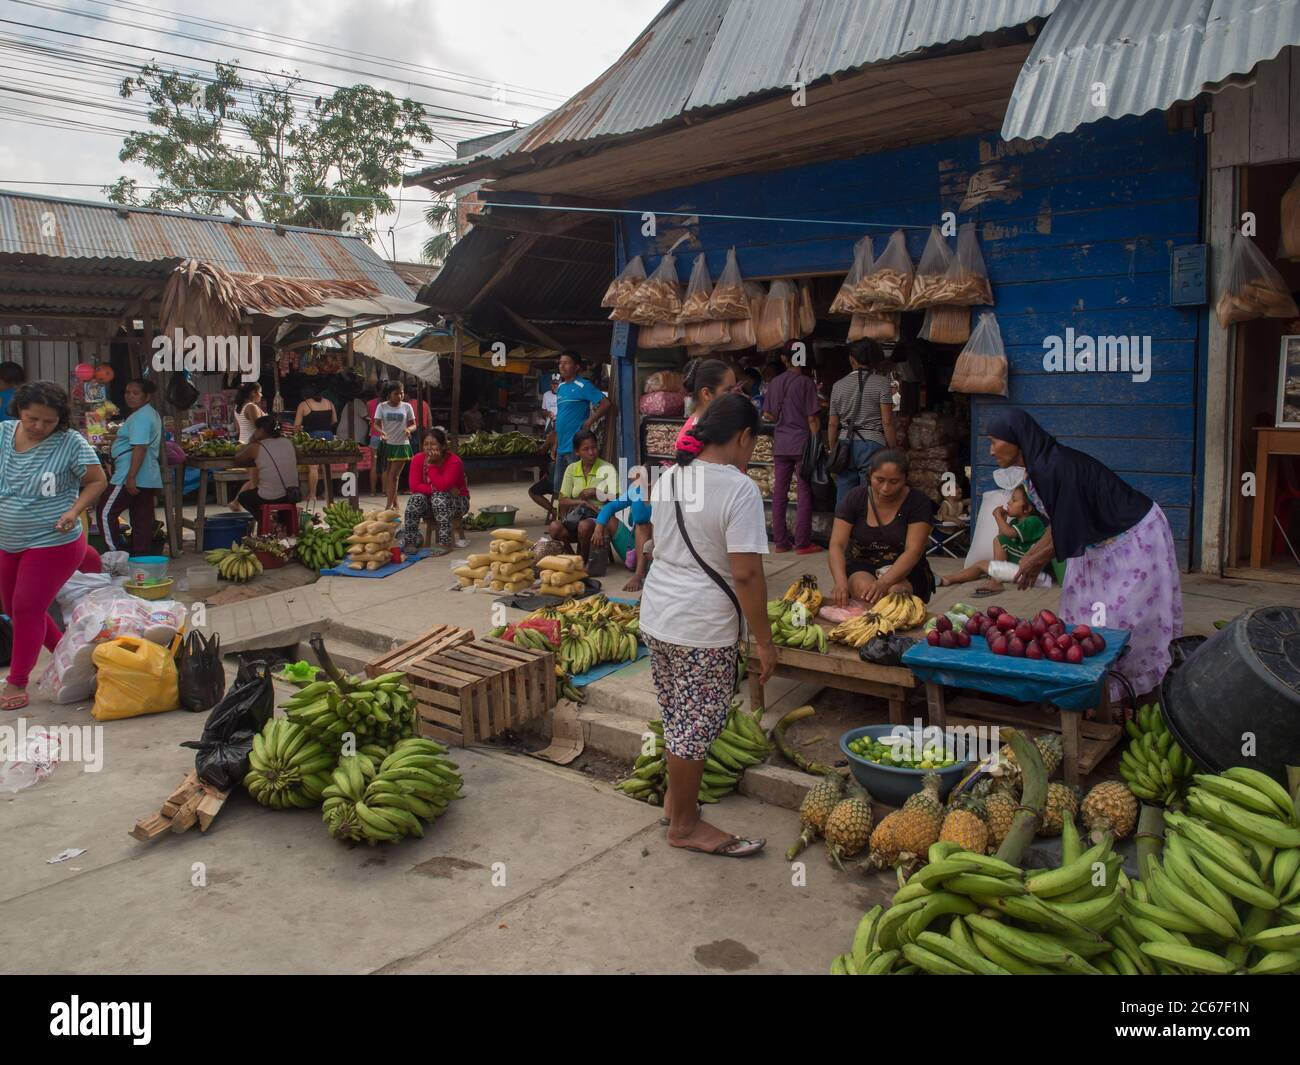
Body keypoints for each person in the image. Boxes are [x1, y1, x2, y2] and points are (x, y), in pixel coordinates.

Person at [640, 393, 774, 857]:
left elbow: (659, 543)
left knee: (678, 718)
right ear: (743, 437)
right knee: (693, 728)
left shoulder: (671, 476)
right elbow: (746, 574)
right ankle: (684, 825)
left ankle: (674, 804)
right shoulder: (739, 489)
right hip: (701, 626)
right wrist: (765, 640)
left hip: (658, 615)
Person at [987, 408, 1182, 699]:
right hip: (1099, 540)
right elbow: (1059, 522)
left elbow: (1065, 524)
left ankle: (1127, 686)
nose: (991, 451)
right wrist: (1031, 559)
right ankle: (1090, 684)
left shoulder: (1053, 466)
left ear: (1016, 439)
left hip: (1133, 534)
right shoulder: (1038, 468)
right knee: (1082, 613)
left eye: (994, 441)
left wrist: (1032, 562)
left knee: (1125, 617)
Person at [0, 381, 108, 711]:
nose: (38, 427)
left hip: (53, 540)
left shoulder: (71, 443)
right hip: (8, 541)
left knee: (27, 608)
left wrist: (74, 510)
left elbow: (97, 480)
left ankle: (17, 680)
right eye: (32, 419)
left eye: (48, 422)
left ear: (59, 420)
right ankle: (68, 657)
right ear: (19, 411)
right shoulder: (4, 433)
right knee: (15, 609)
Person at [829, 448, 936, 608]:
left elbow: (913, 551)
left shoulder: (918, 503)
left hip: (906, 569)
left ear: (905, 479)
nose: (885, 488)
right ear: (870, 475)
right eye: (879, 480)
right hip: (862, 563)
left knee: (896, 595)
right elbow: (837, 544)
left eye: (894, 482)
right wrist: (840, 583)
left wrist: (884, 582)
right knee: (865, 592)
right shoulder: (855, 498)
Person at [763, 346, 822, 554]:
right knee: (804, 491)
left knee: (780, 491)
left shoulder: (775, 382)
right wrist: (817, 442)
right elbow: (812, 418)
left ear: (783, 358)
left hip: (781, 443)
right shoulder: (806, 383)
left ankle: (780, 542)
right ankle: (802, 543)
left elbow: (769, 415)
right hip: (801, 443)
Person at [937, 484, 1046, 595]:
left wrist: (998, 517)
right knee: (980, 564)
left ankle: (996, 581)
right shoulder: (1014, 522)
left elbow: (1005, 537)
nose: (1008, 503)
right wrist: (1003, 519)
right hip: (1014, 567)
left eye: (1014, 500)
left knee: (999, 540)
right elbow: (1003, 539)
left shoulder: (1033, 521)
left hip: (1026, 571)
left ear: (1027, 508)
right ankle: (948, 579)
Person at [96, 378, 163, 557]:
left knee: (105, 511)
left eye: (136, 393)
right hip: (146, 476)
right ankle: (141, 557)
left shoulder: (141, 417)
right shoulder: (148, 413)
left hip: (130, 473)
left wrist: (131, 477)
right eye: (127, 392)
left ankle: (114, 554)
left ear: (147, 396)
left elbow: (140, 447)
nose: (130, 396)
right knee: (141, 519)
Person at [828, 339, 897, 504]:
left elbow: (832, 424)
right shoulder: (882, 383)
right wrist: (893, 448)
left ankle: (843, 527)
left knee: (844, 495)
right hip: (872, 444)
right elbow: (887, 421)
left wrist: (833, 448)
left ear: (852, 359)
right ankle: (867, 528)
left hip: (845, 443)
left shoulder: (838, 385)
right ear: (874, 360)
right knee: (869, 495)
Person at [547, 430, 617, 562]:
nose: (591, 452)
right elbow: (562, 500)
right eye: (586, 449)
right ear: (577, 452)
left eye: (594, 447)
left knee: (584, 526)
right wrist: (582, 503)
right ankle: (572, 557)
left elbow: (616, 498)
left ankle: (584, 561)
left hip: (599, 519)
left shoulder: (608, 468)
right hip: (576, 517)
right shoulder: (572, 469)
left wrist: (596, 492)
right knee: (554, 527)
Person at [400, 428, 470, 556]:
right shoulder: (417, 459)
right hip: (430, 502)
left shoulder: (454, 461)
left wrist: (432, 466)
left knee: (439, 497)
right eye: (426, 444)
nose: (429, 448)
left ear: (443, 446)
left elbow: (442, 486)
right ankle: (411, 541)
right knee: (416, 498)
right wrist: (434, 488)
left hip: (458, 502)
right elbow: (414, 487)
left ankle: (445, 542)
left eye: (433, 444)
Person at [552, 352, 610, 498]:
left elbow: (605, 403)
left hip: (576, 447)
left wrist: (590, 421)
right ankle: (563, 519)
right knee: (560, 489)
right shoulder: (561, 387)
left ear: (576, 367)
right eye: (560, 363)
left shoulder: (583, 385)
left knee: (576, 490)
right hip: (561, 447)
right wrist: (555, 444)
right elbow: (560, 417)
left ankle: (576, 518)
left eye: (566, 363)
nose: (562, 366)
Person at [591, 468, 654, 591]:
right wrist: (598, 528)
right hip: (637, 549)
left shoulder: (668, 497)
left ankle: (639, 574)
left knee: (644, 525)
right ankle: (595, 567)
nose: (634, 478)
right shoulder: (636, 491)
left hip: (657, 552)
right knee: (608, 521)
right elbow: (610, 507)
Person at [233, 416, 301, 519]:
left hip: (270, 496)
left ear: (261, 430)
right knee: (277, 494)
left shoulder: (256, 446)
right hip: (292, 494)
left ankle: (265, 521)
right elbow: (299, 456)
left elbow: (237, 459)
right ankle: (282, 525)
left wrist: (252, 440)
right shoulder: (288, 442)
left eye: (256, 429)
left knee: (243, 497)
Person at [294, 382, 337, 507]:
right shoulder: (329, 403)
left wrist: (297, 433)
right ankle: (326, 493)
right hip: (328, 435)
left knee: (313, 467)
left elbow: (297, 425)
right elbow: (334, 420)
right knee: (327, 465)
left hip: (312, 436)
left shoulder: (304, 404)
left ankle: (312, 495)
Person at [374, 382, 416, 511]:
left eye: (401, 393)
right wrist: (381, 432)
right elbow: (376, 424)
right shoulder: (381, 407)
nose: (399, 396)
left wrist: (409, 430)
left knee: (393, 476)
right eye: (396, 393)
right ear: (389, 394)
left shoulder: (407, 406)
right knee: (390, 475)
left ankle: (388, 506)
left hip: (401, 445)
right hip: (387, 444)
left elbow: (414, 424)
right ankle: (395, 503)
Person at [230, 381, 265, 511]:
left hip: (243, 445)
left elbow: (239, 430)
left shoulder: (238, 408)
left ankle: (236, 502)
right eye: (259, 392)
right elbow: (260, 427)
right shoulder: (251, 407)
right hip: (253, 448)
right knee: (256, 483)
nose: (261, 395)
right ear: (253, 393)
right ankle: (257, 508)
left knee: (255, 479)